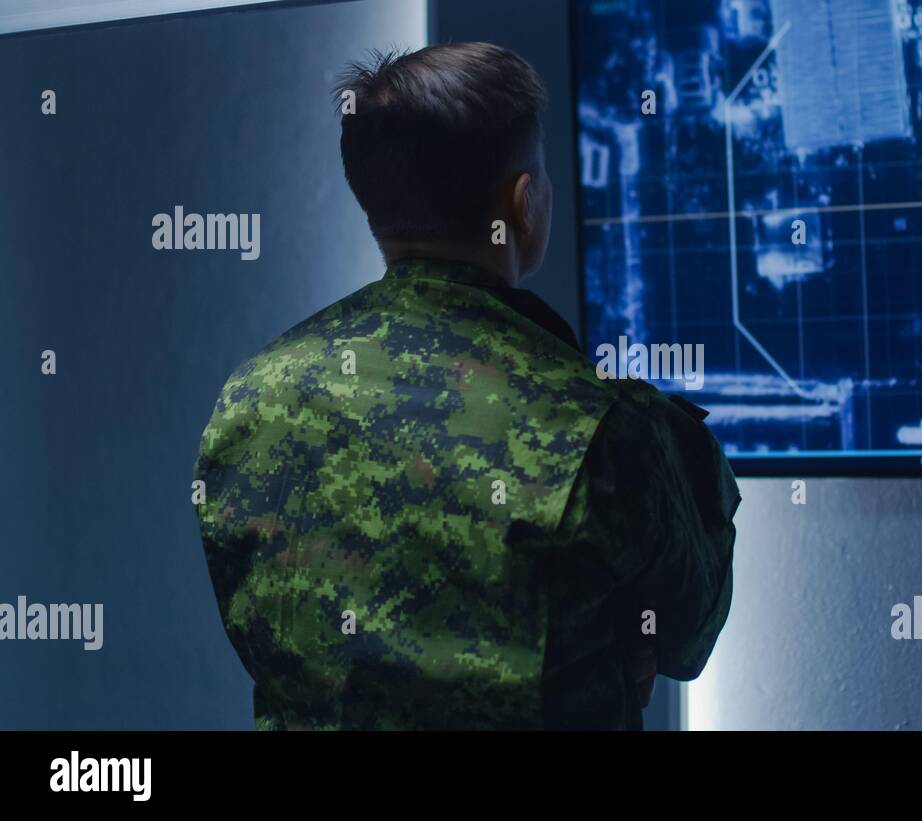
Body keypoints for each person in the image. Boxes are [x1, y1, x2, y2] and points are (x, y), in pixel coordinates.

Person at [192, 42, 740, 730]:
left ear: (375, 203)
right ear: (523, 203)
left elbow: (265, 632)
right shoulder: (606, 423)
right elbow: (688, 633)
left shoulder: (250, 399)